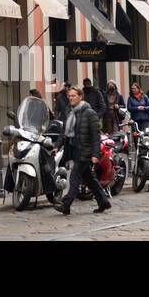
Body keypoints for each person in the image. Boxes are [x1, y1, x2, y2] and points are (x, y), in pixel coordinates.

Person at [57, 87, 111, 215]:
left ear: (80, 96)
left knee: (74, 176)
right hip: (73, 149)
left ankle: (66, 204)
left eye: (73, 96)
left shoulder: (89, 113)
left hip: (84, 150)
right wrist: (56, 146)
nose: (70, 98)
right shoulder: (70, 112)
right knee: (89, 178)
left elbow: (95, 136)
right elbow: (64, 132)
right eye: (69, 96)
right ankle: (103, 202)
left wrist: (95, 154)